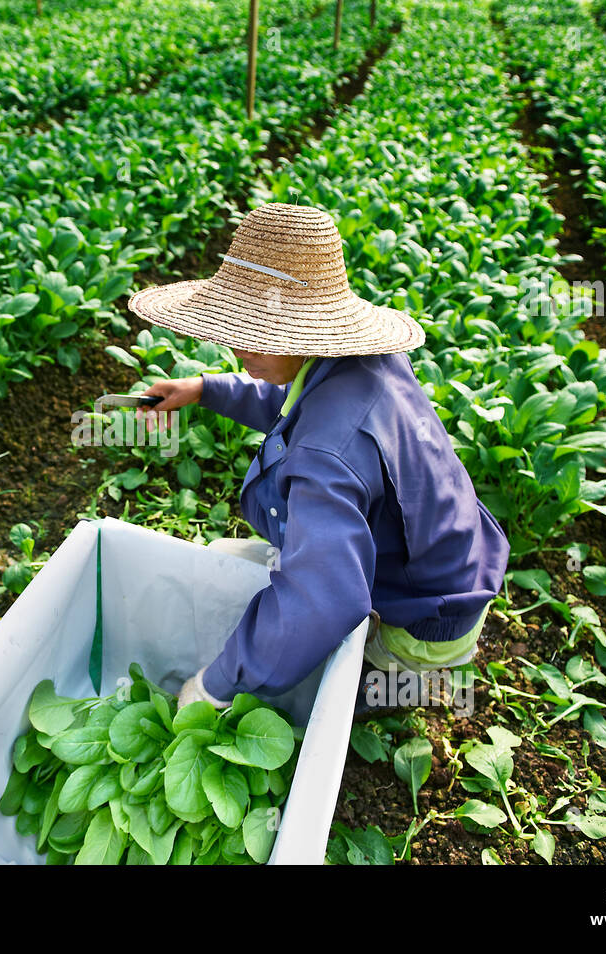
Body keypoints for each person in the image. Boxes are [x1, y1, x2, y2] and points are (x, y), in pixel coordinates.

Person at [127, 202, 509, 715]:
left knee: (297, 699)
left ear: (299, 335)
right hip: (452, 560)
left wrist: (212, 687)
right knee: (237, 566)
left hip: (424, 625)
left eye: (253, 338)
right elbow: (292, 402)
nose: (240, 352)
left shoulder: (326, 456)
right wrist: (204, 389)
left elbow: (320, 603)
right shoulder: (351, 362)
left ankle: (407, 681)